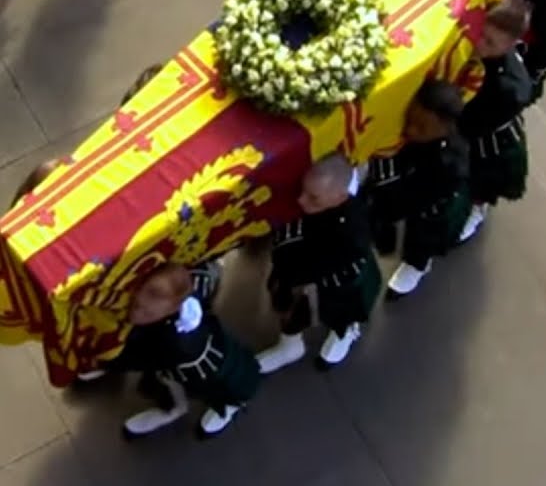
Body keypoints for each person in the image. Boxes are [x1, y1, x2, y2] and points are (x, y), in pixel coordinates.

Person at [257, 153, 381, 373]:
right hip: (301, 263)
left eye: (313, 197)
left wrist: (291, 277)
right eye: (304, 191)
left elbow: (319, 265)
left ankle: (344, 331)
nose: (301, 200)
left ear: (339, 198)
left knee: (338, 309)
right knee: (288, 307)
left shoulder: (351, 230)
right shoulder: (322, 201)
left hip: (333, 277)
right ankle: (290, 345)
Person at [116, 261, 259, 439]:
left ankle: (226, 408)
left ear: (174, 307)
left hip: (208, 373)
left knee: (220, 391)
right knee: (169, 381)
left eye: (145, 311)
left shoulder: (175, 343)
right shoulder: (184, 302)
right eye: (137, 304)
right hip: (179, 365)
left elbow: (131, 359)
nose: (141, 303)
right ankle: (175, 405)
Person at [367, 80, 471, 299]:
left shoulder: (448, 165)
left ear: (446, 127)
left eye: (422, 128)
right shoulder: (414, 135)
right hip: (410, 179)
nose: (411, 130)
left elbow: (400, 204)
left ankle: (418, 264)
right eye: (410, 120)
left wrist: (383, 166)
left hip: (430, 202)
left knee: (424, 233)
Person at [456, 0, 534, 242]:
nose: (480, 44)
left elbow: (472, 126)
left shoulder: (510, 88)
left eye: (490, 43)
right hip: (463, 115)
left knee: (480, 179)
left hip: (487, 138)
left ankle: (477, 209)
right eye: (481, 33)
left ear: (511, 44)